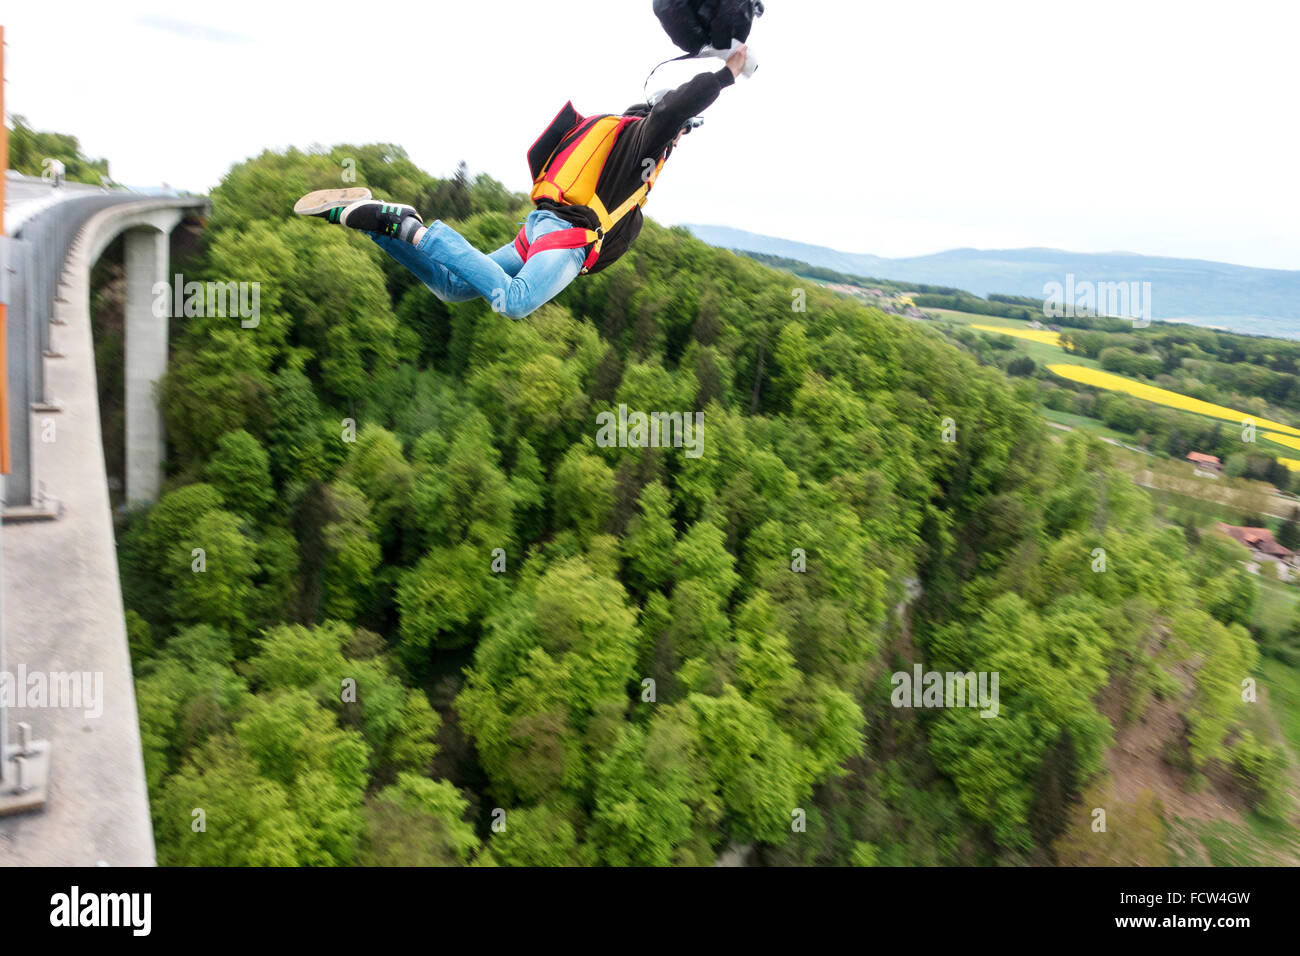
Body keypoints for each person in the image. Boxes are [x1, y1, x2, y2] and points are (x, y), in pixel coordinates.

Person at [295, 45, 749, 319]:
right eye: (686, 128)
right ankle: (416, 228)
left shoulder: (614, 129)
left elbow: (668, 113)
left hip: (540, 229)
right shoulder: (645, 138)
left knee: (452, 288)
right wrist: (725, 74)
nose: (683, 134)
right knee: (514, 302)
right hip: (565, 239)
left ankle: (381, 225)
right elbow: (673, 111)